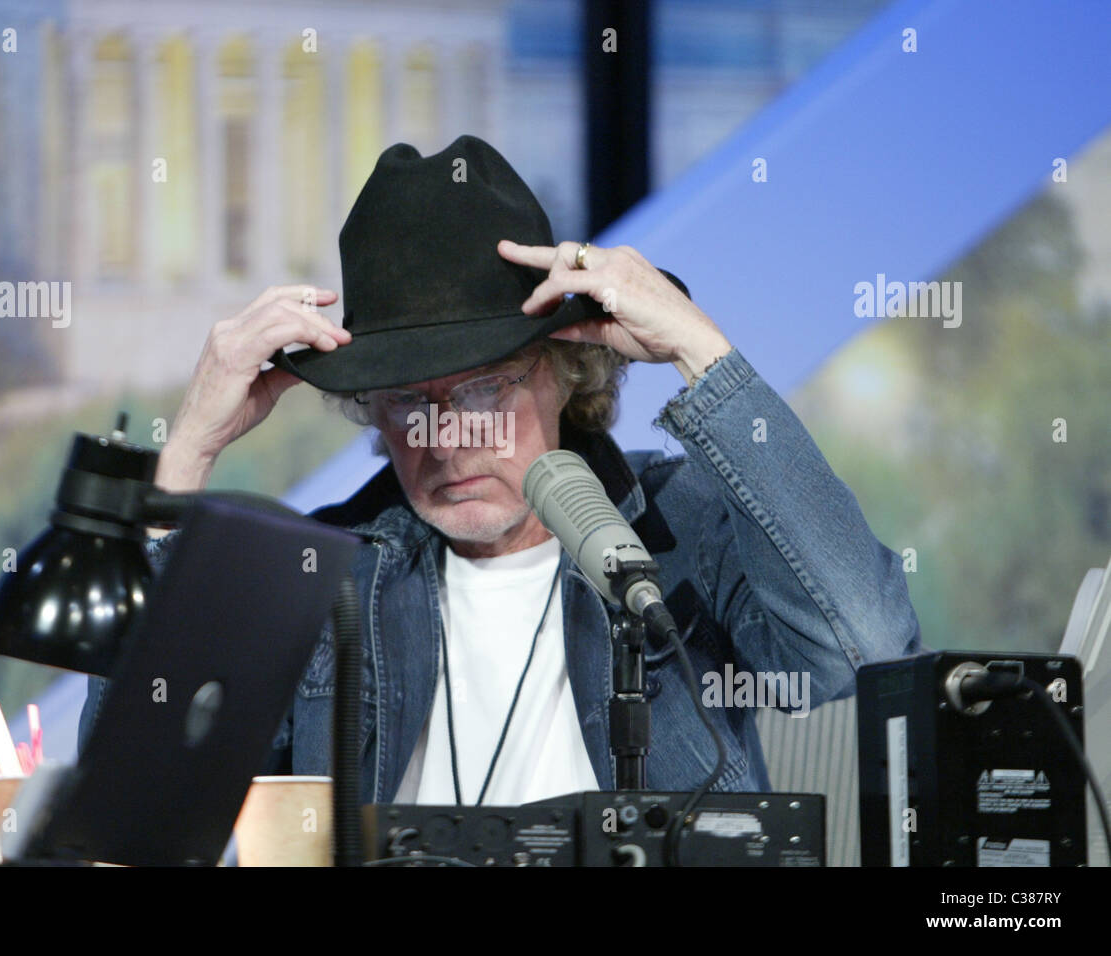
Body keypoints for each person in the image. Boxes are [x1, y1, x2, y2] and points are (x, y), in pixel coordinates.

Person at [80, 135, 920, 805]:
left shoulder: (679, 526)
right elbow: (137, 792)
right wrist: (184, 455)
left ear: (565, 367)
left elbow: (866, 648)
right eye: (409, 400)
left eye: (484, 385)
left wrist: (701, 349)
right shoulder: (320, 569)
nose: (446, 436)